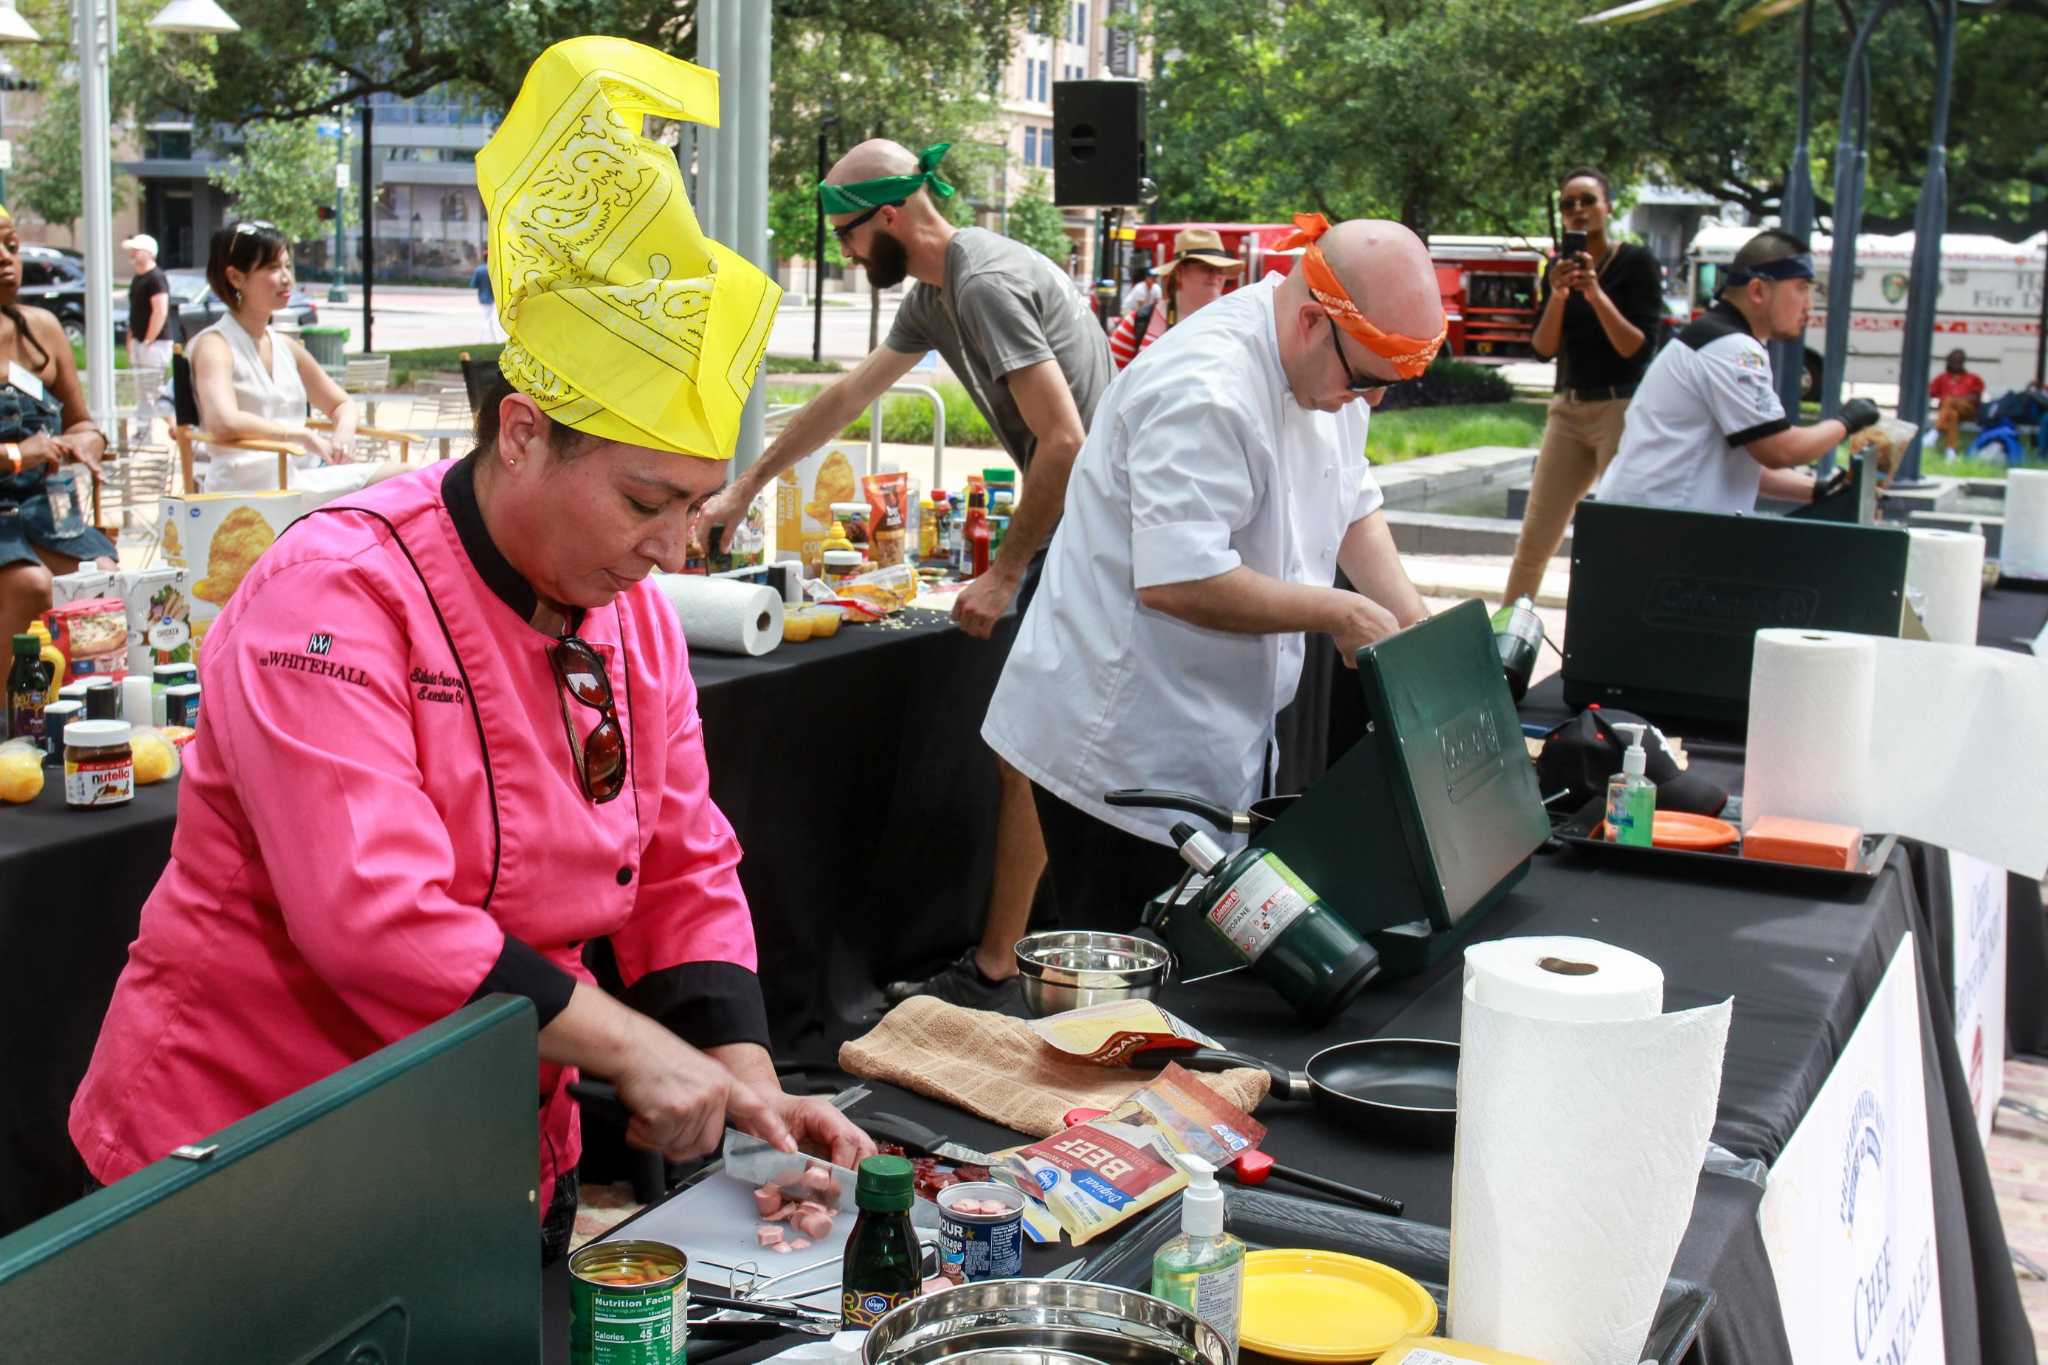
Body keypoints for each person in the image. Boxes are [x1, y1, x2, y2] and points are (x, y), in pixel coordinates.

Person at [69, 36, 872, 1266]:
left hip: (486, 1138)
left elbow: (678, 860)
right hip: (244, 1143)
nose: (671, 548)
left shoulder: (635, 615)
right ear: (519, 433)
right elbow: (370, 914)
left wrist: (740, 1081)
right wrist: (629, 1047)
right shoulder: (331, 592)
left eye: (691, 509)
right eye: (644, 502)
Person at [697, 138, 1110, 1011]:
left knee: (1028, 751)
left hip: (1101, 541)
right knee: (1036, 751)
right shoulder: (935, 294)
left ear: (889, 217)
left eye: (847, 236)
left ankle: (1001, 967)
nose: (846, 254)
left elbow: (1065, 441)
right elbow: (848, 396)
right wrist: (743, 486)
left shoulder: (983, 282)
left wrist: (1004, 571)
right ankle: (1027, 951)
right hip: (1083, 536)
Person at [982, 213, 1436, 929]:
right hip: (1122, 739)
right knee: (1119, 977)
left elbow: (1353, 499)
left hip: (1214, 734)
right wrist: (1341, 613)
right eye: (1368, 380)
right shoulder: (1205, 386)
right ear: (1315, 320)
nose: (1373, 401)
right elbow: (1180, 579)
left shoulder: (1332, 366)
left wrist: (1412, 623)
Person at [1593, 229, 1879, 515]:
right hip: (1655, 523)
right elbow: (1779, 450)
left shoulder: (1720, 338)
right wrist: (1848, 420)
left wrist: (1817, 489)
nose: (1809, 304)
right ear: (1757, 291)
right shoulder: (1730, 348)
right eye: (1802, 287)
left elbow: (1743, 464)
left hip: (1648, 518)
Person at [1502, 168, 1664, 603]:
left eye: (1587, 200)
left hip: (1621, 409)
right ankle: (1501, 648)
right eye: (1568, 203)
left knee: (1621, 533)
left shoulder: (1636, 263)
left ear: (1608, 207)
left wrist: (1594, 293)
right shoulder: (1555, 269)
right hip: (1568, 410)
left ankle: (1618, 636)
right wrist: (1557, 295)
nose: (1578, 210)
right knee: (1534, 540)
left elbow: (1637, 348)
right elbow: (1542, 348)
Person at [188, 221, 375, 495]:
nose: (286, 278)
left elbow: (341, 404)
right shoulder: (215, 346)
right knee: (403, 483)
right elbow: (222, 422)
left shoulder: (286, 346)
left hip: (298, 479)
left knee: (410, 479)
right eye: (273, 268)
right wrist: (299, 435)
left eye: (288, 266)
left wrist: (343, 438)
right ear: (236, 277)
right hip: (250, 488)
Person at [0, 204, 114, 644]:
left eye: (11, 246)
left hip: (48, 514)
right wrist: (15, 455)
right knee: (31, 585)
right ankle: (16, 713)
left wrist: (86, 443)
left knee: (104, 578)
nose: (6, 258)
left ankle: (81, 704)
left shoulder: (44, 328)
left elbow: (83, 423)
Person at [1106, 227, 1244, 370]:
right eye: (1206, 267)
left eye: (1220, 269)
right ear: (1179, 272)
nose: (1215, 275)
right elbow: (1107, 380)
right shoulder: (1138, 323)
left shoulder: (1236, 324)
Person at [123, 232, 171, 432]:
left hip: (155, 343)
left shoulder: (156, 278)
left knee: (154, 388)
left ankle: (176, 425)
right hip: (139, 340)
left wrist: (148, 340)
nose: (133, 253)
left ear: (149, 253)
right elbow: (135, 311)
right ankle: (144, 430)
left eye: (137, 249)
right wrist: (131, 338)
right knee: (142, 390)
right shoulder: (137, 279)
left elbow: (160, 311)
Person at [1929, 348, 1985, 455]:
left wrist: (1955, 400)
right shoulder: (1942, 378)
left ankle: (1935, 432)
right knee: (1952, 415)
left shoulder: (1973, 378)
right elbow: (1930, 392)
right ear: (1949, 362)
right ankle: (1951, 452)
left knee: (1949, 401)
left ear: (1963, 362)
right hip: (1948, 414)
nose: (1956, 363)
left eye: (1959, 361)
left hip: (1968, 411)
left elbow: (1975, 397)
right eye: (1953, 360)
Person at [472, 244, 498, 343]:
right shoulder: (494, 269)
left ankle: (493, 339)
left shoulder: (479, 270)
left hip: (482, 297)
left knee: (488, 318)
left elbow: (473, 285)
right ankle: (484, 339)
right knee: (488, 319)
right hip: (492, 298)